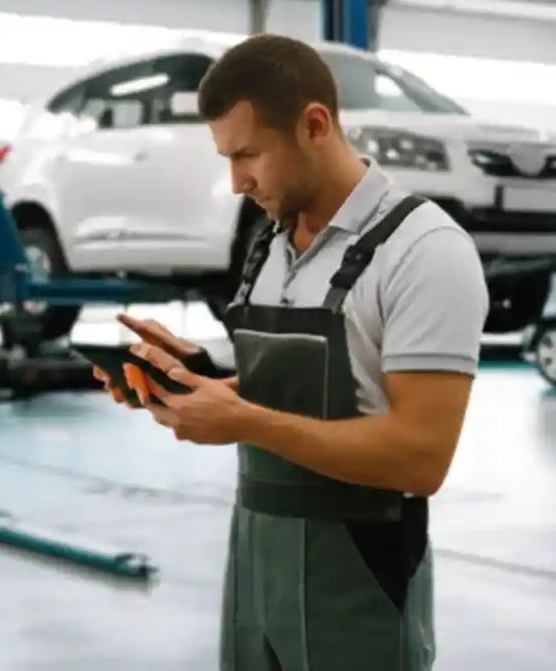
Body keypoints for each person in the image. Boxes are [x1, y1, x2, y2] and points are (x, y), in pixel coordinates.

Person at [95, 34, 488, 670]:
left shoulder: (424, 251)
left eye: (248, 154)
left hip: (360, 589)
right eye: (227, 158)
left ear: (314, 125)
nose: (236, 182)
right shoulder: (271, 246)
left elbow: (421, 458)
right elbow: (288, 392)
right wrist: (191, 380)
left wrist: (244, 420)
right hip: (255, 576)